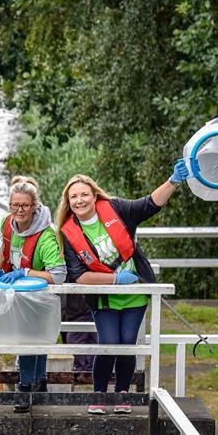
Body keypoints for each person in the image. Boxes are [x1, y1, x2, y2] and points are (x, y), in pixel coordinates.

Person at [58, 160, 189, 415]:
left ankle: (122, 393)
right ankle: (98, 395)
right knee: (109, 343)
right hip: (104, 296)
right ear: (68, 201)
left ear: (95, 195)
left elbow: (148, 204)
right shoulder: (68, 233)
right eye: (74, 197)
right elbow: (79, 276)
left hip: (135, 294)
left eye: (84, 194)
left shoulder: (116, 208)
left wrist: (173, 181)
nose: (80, 200)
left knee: (127, 344)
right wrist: (116, 281)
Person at [0, 176, 66, 413]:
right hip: (19, 293)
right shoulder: (7, 223)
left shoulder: (45, 235)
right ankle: (38, 383)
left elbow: (58, 274)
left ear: (34, 206)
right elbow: (5, 248)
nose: (20, 210)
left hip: (39, 294)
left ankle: (26, 388)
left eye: (25, 205)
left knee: (31, 338)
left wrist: (26, 271)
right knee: (29, 338)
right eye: (15, 205)